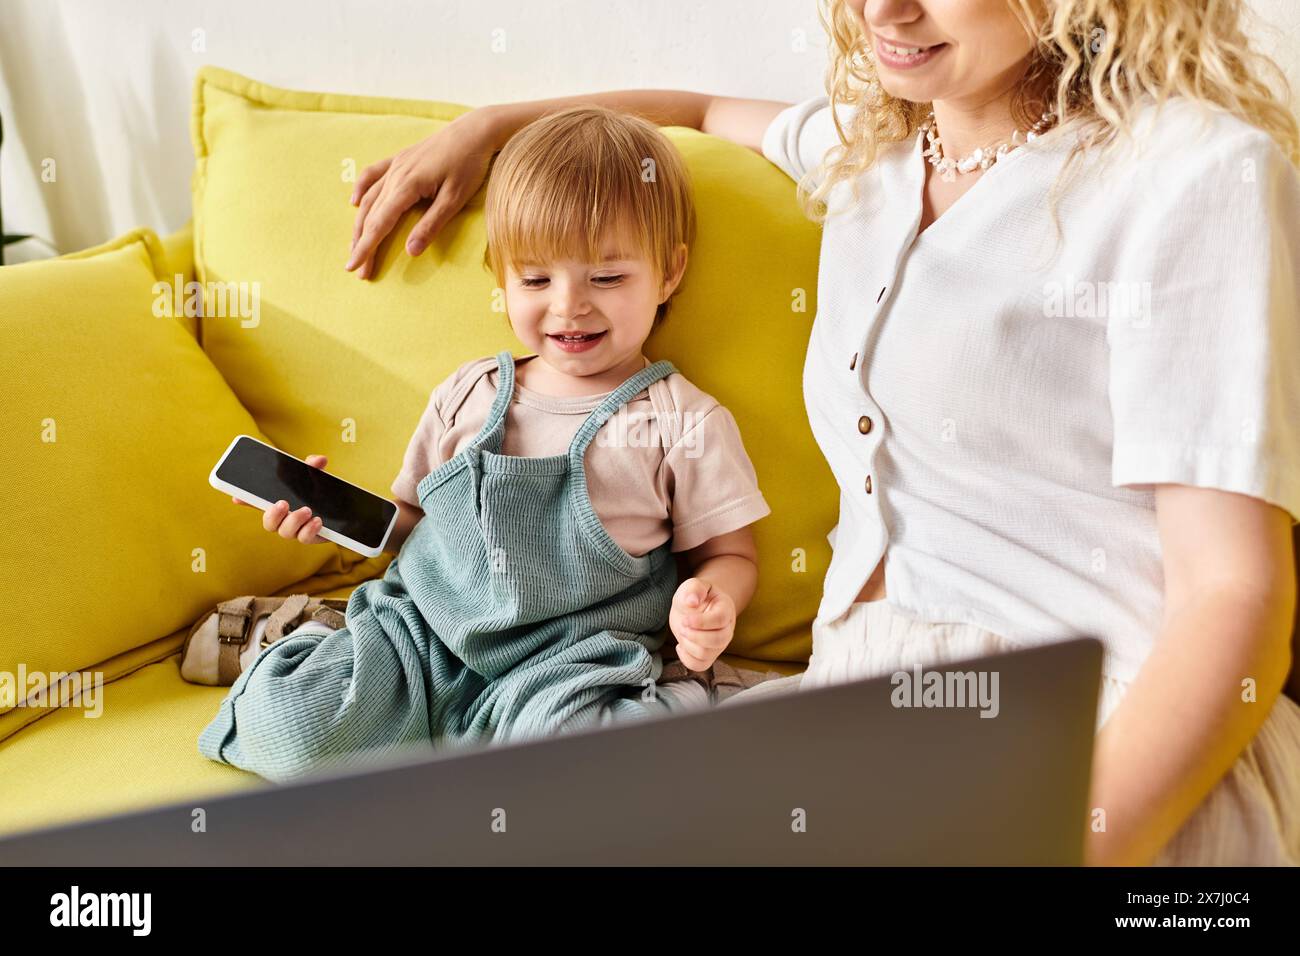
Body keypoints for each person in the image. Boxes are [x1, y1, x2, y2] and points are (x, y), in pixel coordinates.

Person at [342, 0, 1300, 866]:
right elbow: (705, 110)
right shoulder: (872, 149)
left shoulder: (1192, 172)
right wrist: (488, 128)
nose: (883, 10)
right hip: (855, 709)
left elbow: (1235, 594)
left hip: (1099, 741)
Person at [200, 105, 775, 783]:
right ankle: (302, 638)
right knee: (291, 727)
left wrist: (711, 602)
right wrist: (327, 515)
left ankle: (695, 699)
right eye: (536, 280)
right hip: (423, 637)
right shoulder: (467, 393)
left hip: (566, 663)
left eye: (608, 278)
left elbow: (730, 552)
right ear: (500, 279)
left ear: (669, 274)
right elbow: (407, 524)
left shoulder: (683, 419)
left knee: (588, 775)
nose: (569, 305)